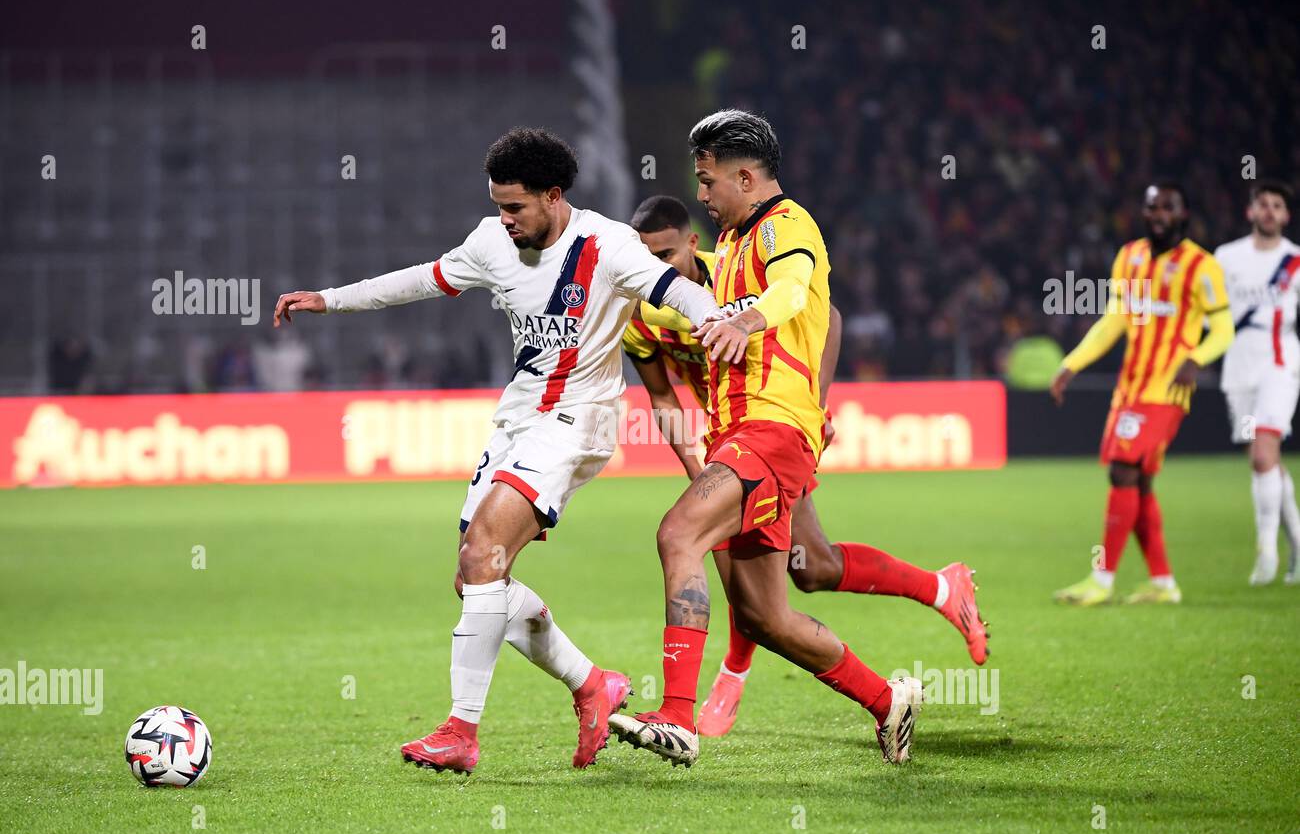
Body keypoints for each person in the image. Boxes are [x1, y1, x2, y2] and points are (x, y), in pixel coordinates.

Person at [272, 128, 727, 774]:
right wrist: (330, 299)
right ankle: (594, 685)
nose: (504, 219)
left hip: (578, 419)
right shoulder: (492, 242)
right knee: (475, 575)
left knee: (486, 548)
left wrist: (717, 318)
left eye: (515, 207)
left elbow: (672, 290)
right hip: (518, 418)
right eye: (497, 206)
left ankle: (462, 731)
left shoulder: (607, 244)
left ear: (553, 195)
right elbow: (420, 280)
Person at [608, 110, 924, 768]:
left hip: (773, 430)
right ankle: (887, 702)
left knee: (677, 535)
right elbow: (664, 383)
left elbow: (794, 290)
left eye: (708, 179)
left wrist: (750, 322)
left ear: (745, 177)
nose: (702, 192)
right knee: (764, 618)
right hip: (740, 438)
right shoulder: (721, 258)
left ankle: (676, 718)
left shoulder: (785, 225)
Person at [622, 194, 987, 738]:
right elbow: (664, 399)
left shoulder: (731, 271)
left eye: (667, 255)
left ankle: (718, 685)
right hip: (728, 438)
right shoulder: (642, 312)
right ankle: (934, 601)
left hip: (773, 424)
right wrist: (695, 465)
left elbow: (827, 315)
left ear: (692, 243)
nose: (658, 269)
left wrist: (814, 404)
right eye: (646, 259)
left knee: (698, 540)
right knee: (809, 569)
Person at [1051, 182, 1234, 605]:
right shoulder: (1129, 256)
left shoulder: (1201, 267)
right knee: (1140, 484)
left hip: (1166, 391)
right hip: (1129, 389)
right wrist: (1072, 364)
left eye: (1167, 208)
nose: (1158, 215)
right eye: (1152, 207)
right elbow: (1113, 321)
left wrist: (1196, 358)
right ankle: (1163, 582)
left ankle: (1102, 580)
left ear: (1183, 214)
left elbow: (1223, 330)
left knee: (1122, 469)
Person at [1214, 181, 1300, 584]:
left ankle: (1266, 550)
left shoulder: (1295, 260)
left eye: (1277, 206)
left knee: (1263, 455)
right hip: (1238, 368)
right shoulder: (1226, 257)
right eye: (1262, 204)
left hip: (1280, 364)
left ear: (1285, 216)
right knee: (1267, 461)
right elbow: (1208, 311)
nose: (1269, 211)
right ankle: (1298, 545)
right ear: (1251, 212)